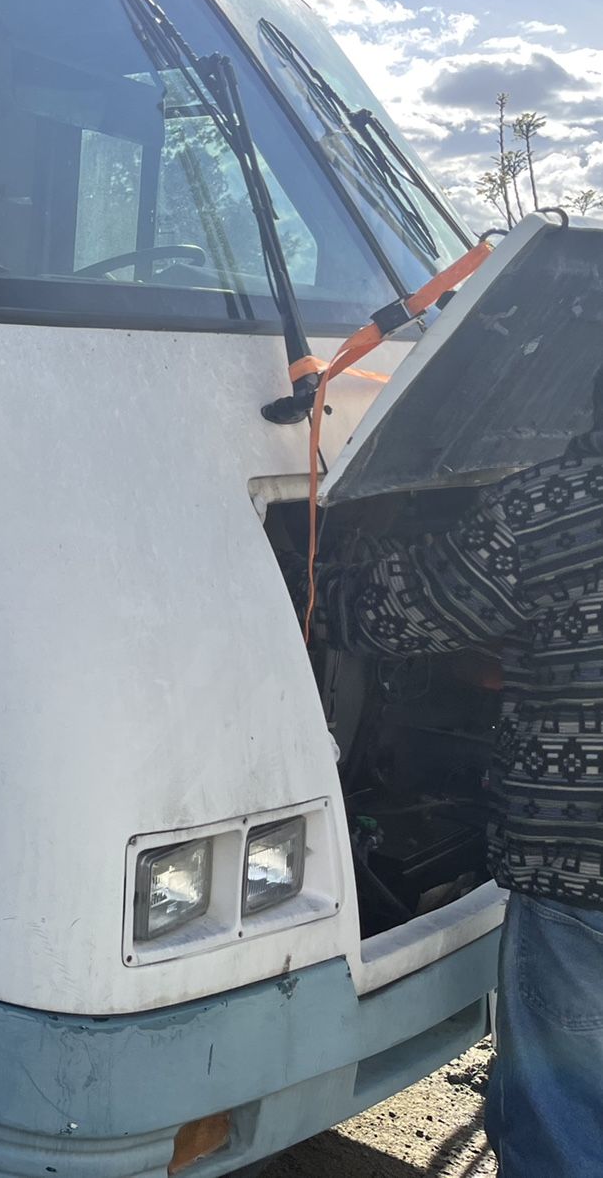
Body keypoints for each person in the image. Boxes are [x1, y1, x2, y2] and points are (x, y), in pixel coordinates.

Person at [306, 375, 603, 1176]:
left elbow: (394, 611)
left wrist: (306, 586)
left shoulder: (558, 506)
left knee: (566, 1114)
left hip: (582, 869)